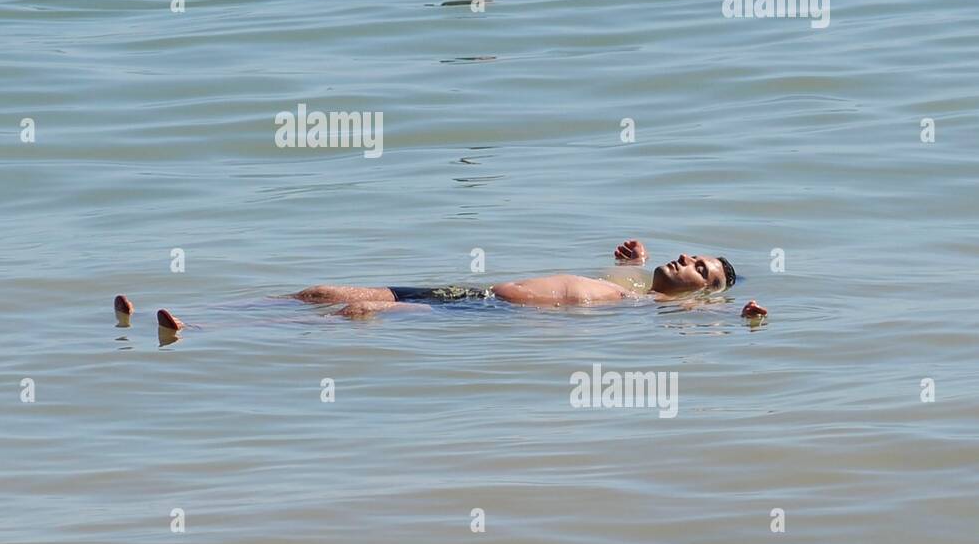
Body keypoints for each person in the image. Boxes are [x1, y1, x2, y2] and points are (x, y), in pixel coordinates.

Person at [289, 239, 768, 319]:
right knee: (322, 292)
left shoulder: (654, 311)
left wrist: (748, 320)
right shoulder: (638, 286)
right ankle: (222, 316)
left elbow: (709, 325)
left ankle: (234, 333)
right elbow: (618, 278)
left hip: (484, 314)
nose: (686, 257)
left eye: (699, 268)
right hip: (471, 293)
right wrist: (631, 261)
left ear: (703, 298)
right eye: (692, 254)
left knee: (358, 312)